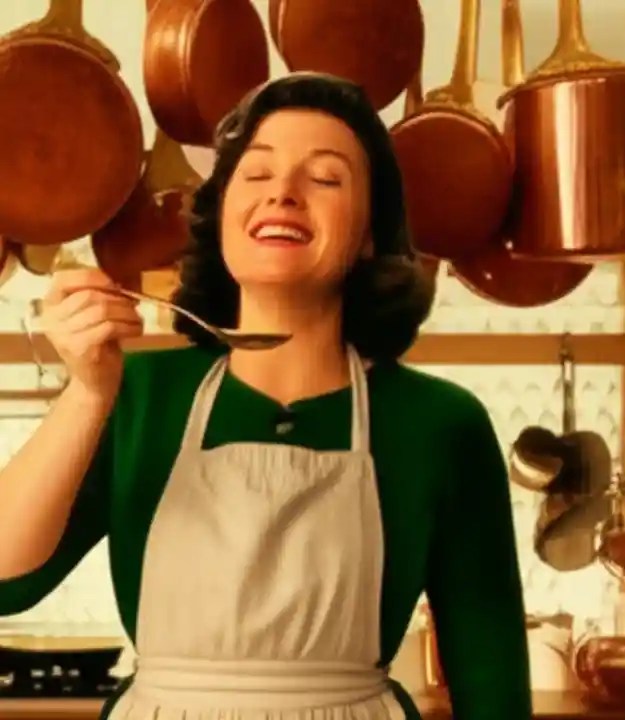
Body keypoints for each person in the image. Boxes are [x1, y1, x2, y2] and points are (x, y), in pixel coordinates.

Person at [0, 73, 531, 720]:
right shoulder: (134, 393)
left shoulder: (441, 422)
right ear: (222, 220)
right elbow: (7, 583)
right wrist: (86, 394)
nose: (283, 192)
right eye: (255, 176)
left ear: (369, 235)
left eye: (327, 179)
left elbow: (492, 675)